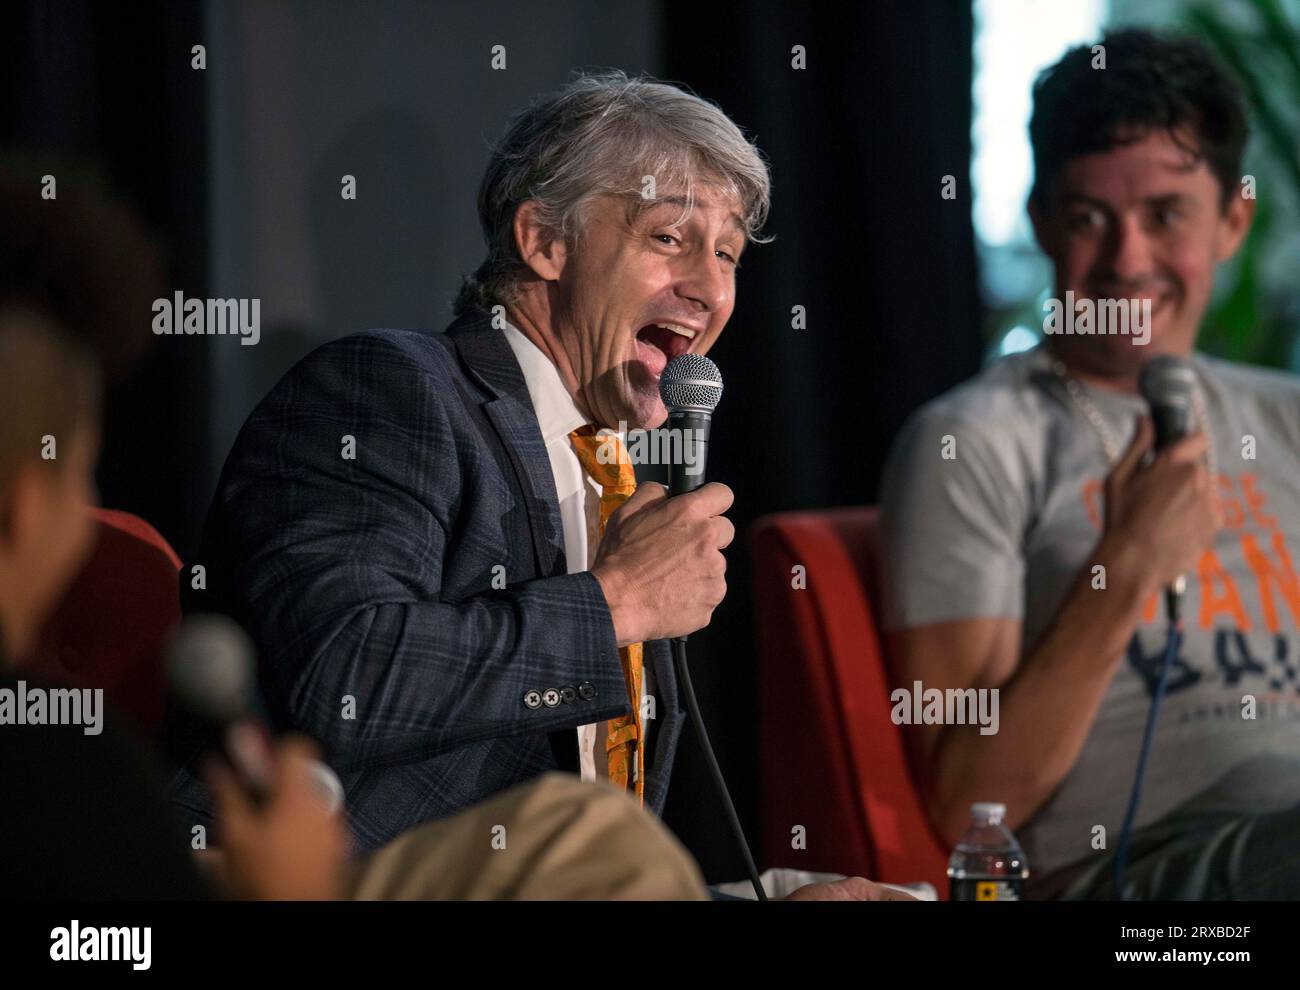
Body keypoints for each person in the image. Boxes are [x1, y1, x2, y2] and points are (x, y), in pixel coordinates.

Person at [171, 71, 905, 900]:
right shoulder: (392, 390)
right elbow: (345, 674)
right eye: (671, 238)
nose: (711, 287)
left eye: (727, 252)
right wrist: (616, 600)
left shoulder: (621, 484)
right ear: (544, 242)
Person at [879, 28, 1300, 899]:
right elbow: (970, 805)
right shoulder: (972, 442)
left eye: (1165, 215)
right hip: (1135, 884)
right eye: (1088, 218)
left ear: (1233, 220)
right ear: (1040, 219)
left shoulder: (1284, 418)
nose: (1127, 261)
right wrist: (1129, 562)